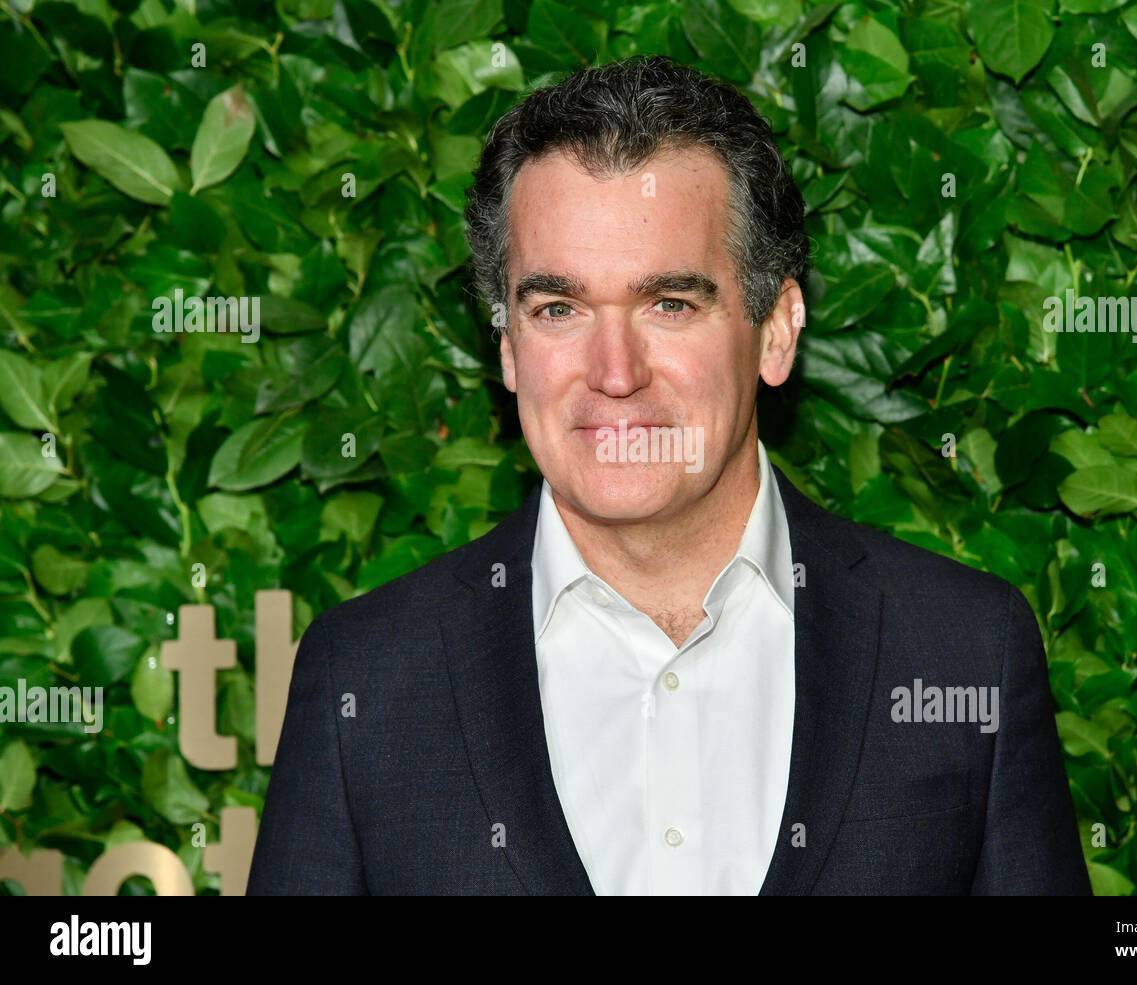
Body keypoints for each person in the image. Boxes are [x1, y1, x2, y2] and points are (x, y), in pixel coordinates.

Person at [247, 55, 1090, 896]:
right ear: (507, 347)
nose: (615, 371)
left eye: (670, 305)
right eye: (559, 309)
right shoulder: (366, 681)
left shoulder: (963, 652)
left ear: (776, 331)